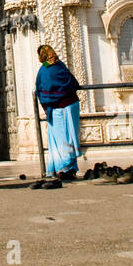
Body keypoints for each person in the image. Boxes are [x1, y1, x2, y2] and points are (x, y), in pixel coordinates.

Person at [35, 44, 83, 179]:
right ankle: (70, 167)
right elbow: (74, 83)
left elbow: (40, 89)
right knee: (70, 136)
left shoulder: (44, 70)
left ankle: (64, 168)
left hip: (57, 109)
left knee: (60, 138)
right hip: (72, 105)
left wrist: (47, 102)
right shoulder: (60, 65)